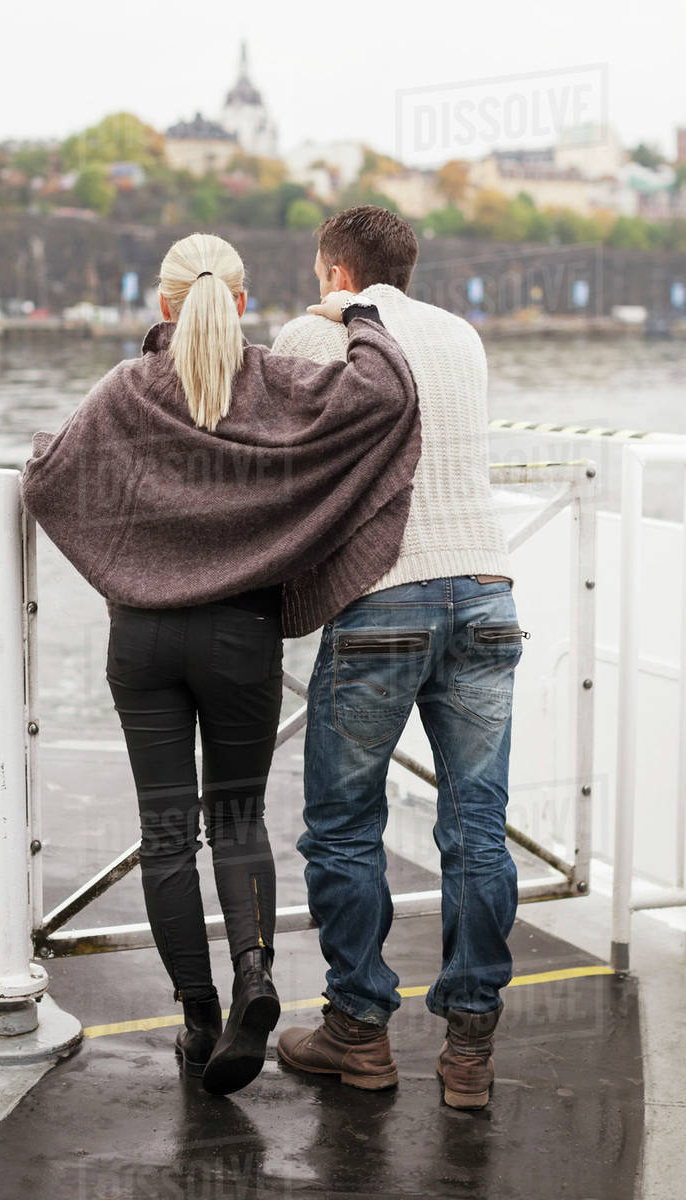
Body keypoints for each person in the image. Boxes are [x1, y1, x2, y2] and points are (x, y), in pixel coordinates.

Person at [20, 232, 422, 1096]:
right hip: (240, 638)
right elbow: (388, 394)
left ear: (164, 305)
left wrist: (121, 556)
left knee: (168, 832)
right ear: (240, 303)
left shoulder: (127, 389)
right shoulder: (278, 382)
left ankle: (198, 1019)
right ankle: (256, 980)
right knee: (238, 820)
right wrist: (354, 315)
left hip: (144, 640)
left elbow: (45, 474)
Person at [272, 207, 523, 1109]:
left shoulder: (323, 328)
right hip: (488, 594)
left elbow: (266, 433)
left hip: (385, 597)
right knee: (477, 829)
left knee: (343, 826)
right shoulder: (462, 335)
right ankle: (468, 1052)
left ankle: (358, 1032)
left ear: (336, 271)